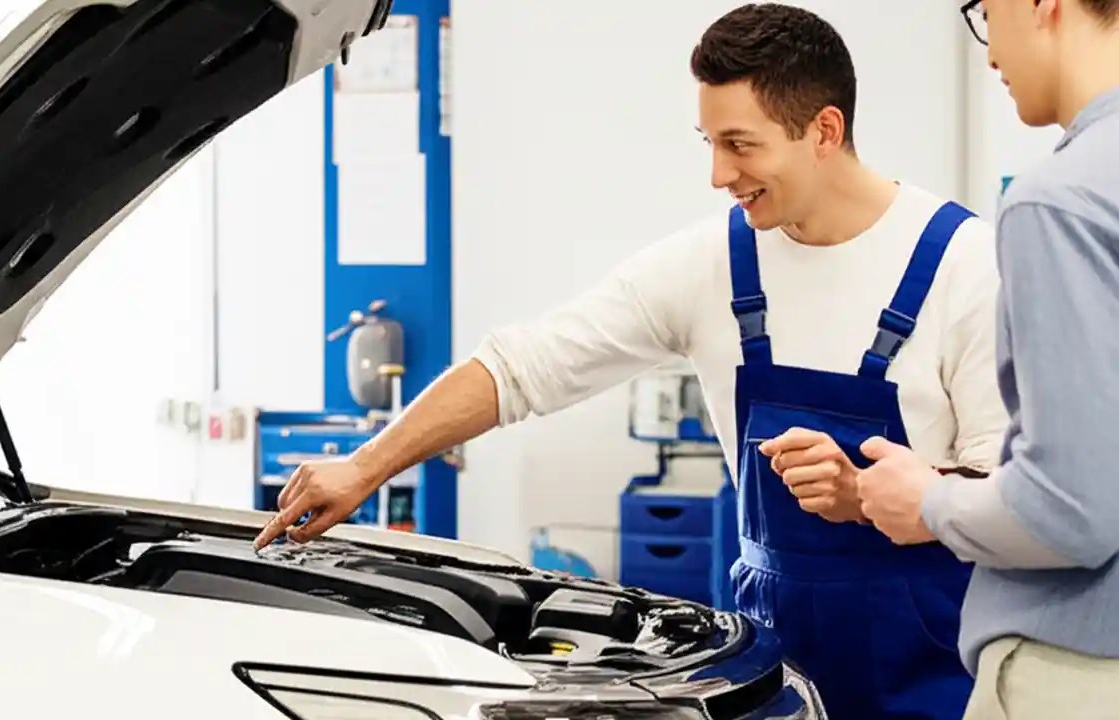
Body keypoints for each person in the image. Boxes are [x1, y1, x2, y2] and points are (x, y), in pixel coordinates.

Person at [256, 4, 1009, 718]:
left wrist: (870, 494)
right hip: (770, 668)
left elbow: (1006, 490)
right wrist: (367, 465)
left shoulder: (962, 263)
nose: (718, 174)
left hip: (931, 666)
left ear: (823, 129)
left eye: (740, 144)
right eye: (708, 142)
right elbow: (526, 365)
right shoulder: (713, 263)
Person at [856, 0, 1119, 717]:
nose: (988, 47)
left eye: (982, 10)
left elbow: (1072, 509)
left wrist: (929, 503)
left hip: (1076, 672)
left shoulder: (1059, 202)